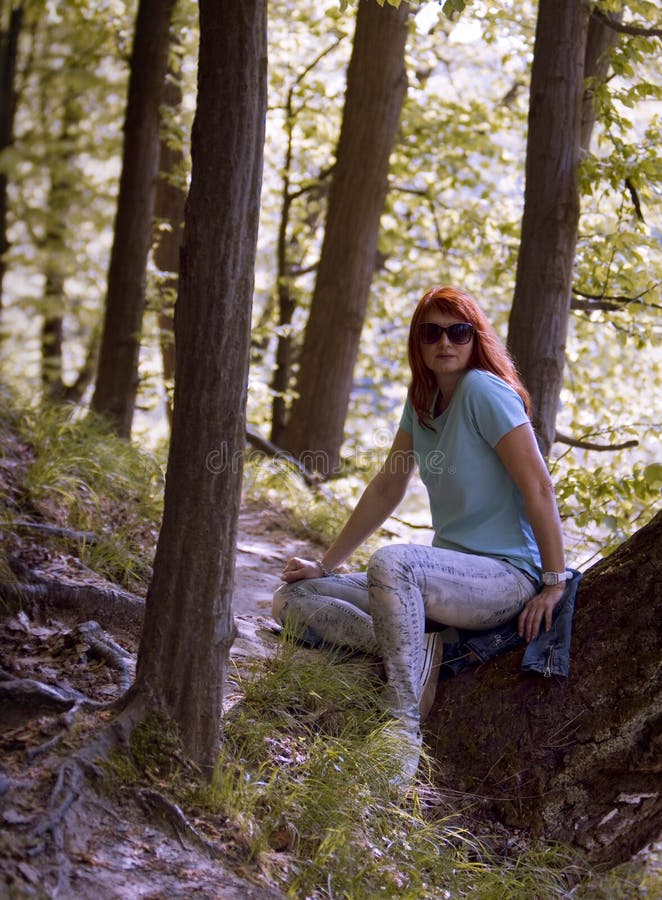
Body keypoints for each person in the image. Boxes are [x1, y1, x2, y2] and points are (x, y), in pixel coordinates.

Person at [272, 285, 568, 786]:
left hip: (504, 579)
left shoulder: (483, 392)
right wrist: (325, 565)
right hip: (446, 584)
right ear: (418, 343)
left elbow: (539, 485)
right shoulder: (423, 401)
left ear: (476, 339)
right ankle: (423, 652)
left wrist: (553, 581)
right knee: (293, 598)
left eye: (458, 331)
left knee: (393, 562)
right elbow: (388, 486)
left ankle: (403, 725)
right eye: (431, 333)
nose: (445, 343)